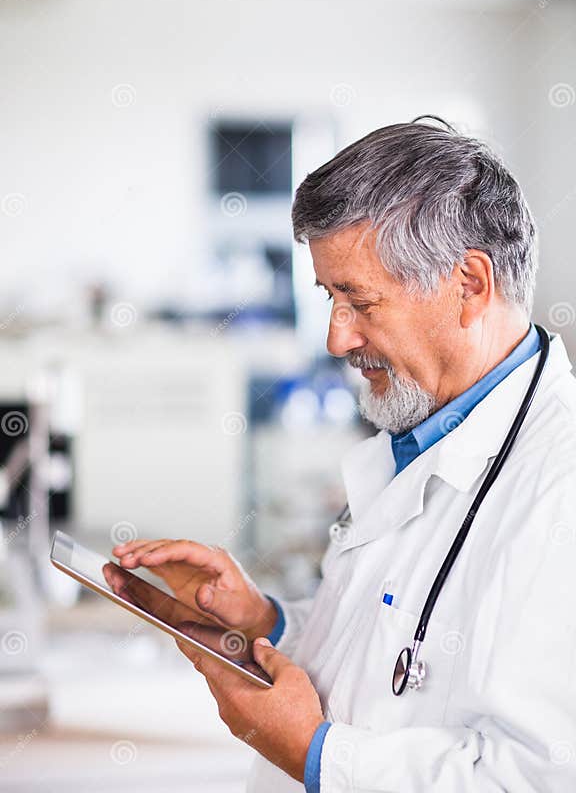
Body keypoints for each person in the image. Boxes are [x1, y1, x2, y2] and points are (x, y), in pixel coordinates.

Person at [113, 118, 576, 792]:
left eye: (359, 301)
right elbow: (386, 648)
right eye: (329, 297)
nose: (336, 338)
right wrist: (265, 620)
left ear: (470, 284)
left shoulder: (559, 487)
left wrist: (317, 755)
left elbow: (537, 776)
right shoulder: (426, 429)